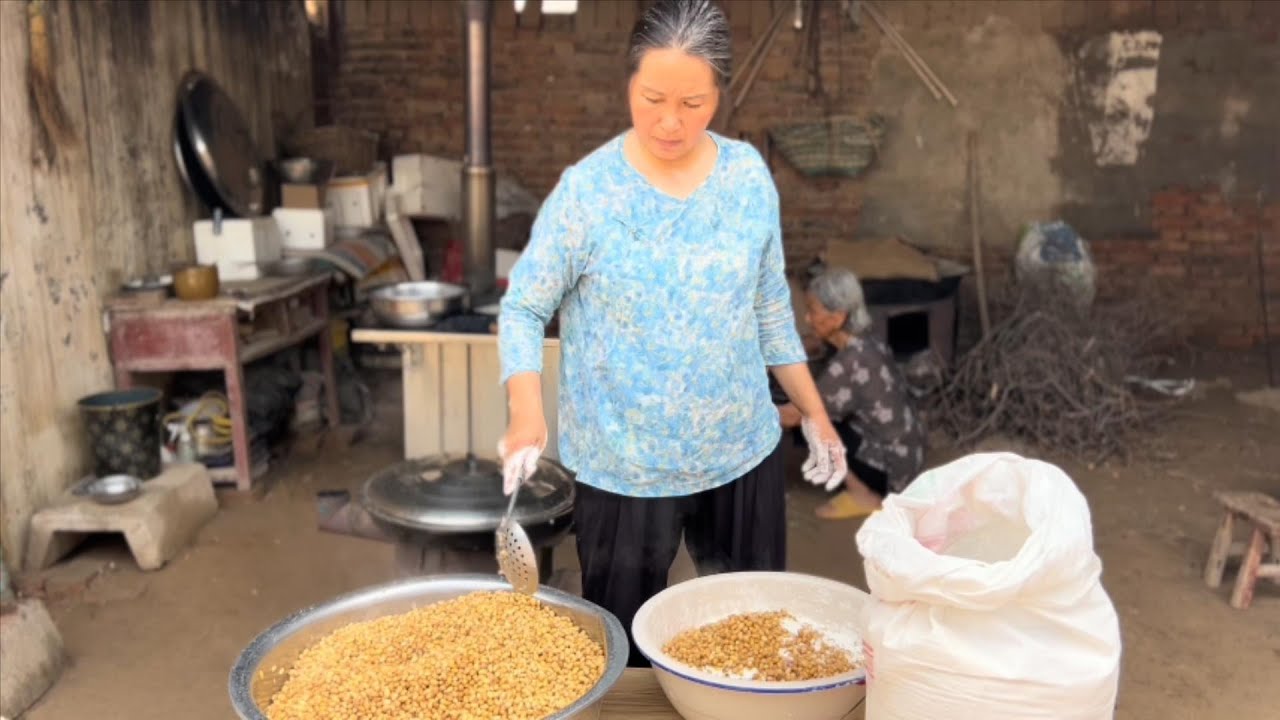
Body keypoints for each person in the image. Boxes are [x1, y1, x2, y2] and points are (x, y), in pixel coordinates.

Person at [497, 0, 847, 667]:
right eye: (652, 97)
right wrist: (525, 411)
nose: (669, 121)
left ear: (720, 94)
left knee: (751, 642)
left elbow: (770, 304)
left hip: (741, 455)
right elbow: (522, 307)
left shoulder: (747, 180)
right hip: (624, 469)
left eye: (693, 102)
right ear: (629, 84)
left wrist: (816, 412)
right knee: (624, 656)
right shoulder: (589, 194)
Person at [777, 268, 927, 519]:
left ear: (837, 318)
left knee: (807, 422)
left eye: (813, 311)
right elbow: (815, 346)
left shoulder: (847, 364)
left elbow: (792, 416)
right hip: (910, 452)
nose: (807, 318)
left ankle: (864, 493)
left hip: (891, 469)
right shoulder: (869, 339)